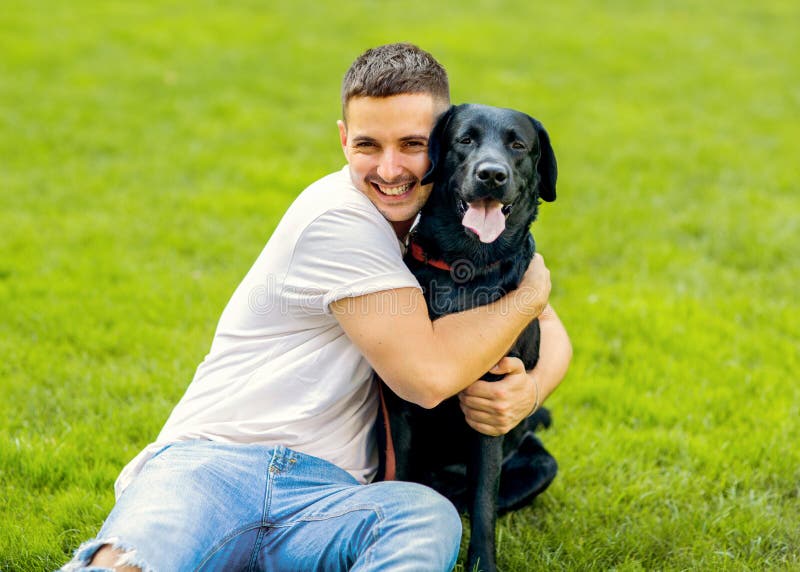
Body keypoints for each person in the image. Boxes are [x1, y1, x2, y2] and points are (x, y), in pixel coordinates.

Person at [61, 43, 571, 572]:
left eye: (412, 144)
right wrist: (530, 294)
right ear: (343, 139)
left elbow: (549, 329)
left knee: (428, 516)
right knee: (127, 565)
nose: (391, 168)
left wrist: (528, 388)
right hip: (214, 467)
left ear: (440, 149)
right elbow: (429, 376)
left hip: (328, 497)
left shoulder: (431, 234)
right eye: (369, 144)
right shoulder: (339, 220)